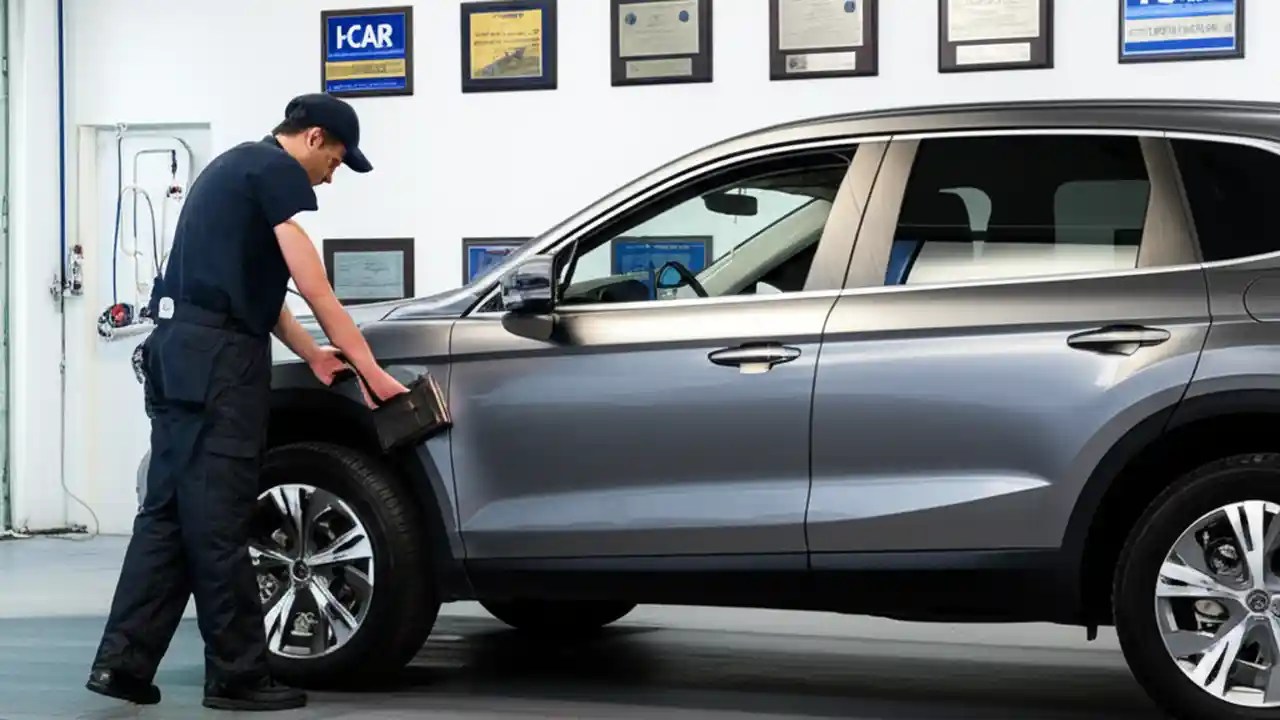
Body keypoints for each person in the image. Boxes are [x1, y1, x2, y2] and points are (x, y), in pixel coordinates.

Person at [85, 93, 408, 712]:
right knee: (222, 521)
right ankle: (237, 676)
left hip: (177, 351)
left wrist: (312, 355)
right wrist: (368, 369)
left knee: (169, 517)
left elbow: (264, 292)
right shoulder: (277, 172)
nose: (333, 174)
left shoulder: (233, 170)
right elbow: (312, 283)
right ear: (314, 137)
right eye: (337, 159)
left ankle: (122, 665)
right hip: (219, 364)